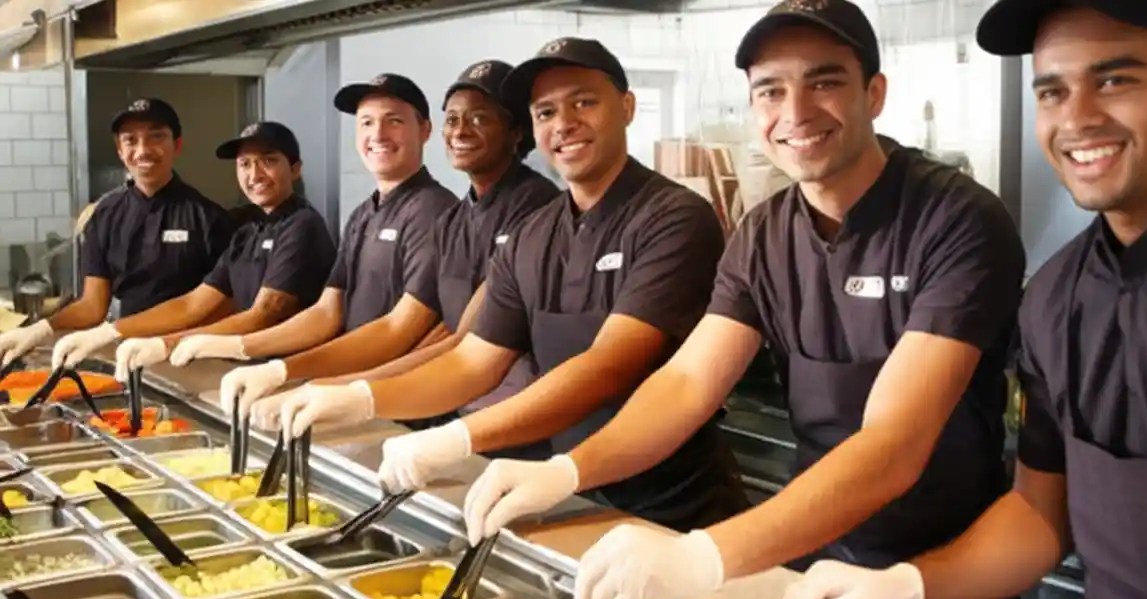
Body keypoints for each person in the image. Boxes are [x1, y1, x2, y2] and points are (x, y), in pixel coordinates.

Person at [463, 0, 1029, 599]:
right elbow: (686, 383)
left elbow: (894, 440)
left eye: (824, 81)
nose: (795, 111)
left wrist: (706, 553)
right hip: (808, 552)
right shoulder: (764, 233)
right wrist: (567, 471)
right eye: (770, 90)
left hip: (946, 577)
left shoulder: (955, 219)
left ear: (874, 93)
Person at [765, 2, 1147, 599]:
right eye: (1051, 90)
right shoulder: (1061, 294)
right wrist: (908, 584)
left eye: (1116, 80)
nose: (1078, 118)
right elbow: (1041, 516)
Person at [269, 38, 749, 532]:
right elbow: (472, 358)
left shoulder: (673, 217)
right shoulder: (534, 234)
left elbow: (610, 364)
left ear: (626, 107)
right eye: (546, 111)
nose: (563, 124)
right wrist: (359, 397)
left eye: (584, 102)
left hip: (673, 503)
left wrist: (458, 437)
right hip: (571, 493)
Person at [249, 59, 559, 450]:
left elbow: (465, 341)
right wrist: (312, 382)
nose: (461, 131)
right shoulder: (456, 217)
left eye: (479, 119)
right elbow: (438, 332)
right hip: (451, 408)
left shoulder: (535, 208)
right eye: (454, 118)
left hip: (510, 425)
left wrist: (350, 390)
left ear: (517, 130)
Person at [186, 74, 457, 417]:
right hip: (352, 389)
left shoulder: (435, 211)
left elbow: (400, 329)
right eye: (367, 122)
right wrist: (246, 350)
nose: (378, 134)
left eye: (394, 121)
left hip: (396, 403)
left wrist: (291, 373)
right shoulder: (364, 214)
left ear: (426, 130)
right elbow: (328, 313)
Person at [48, 122, 336, 377]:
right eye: (245, 164)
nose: (255, 173)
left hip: (291, 373)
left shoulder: (302, 226)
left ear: (295, 169)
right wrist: (111, 332)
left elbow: (265, 313)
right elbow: (194, 303)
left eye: (268, 161)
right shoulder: (248, 232)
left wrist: (170, 343)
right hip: (247, 369)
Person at [0, 98, 232, 366]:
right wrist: (40, 330)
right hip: (124, 350)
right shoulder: (105, 215)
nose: (143, 150)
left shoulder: (209, 218)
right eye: (131, 141)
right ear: (120, 150)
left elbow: (220, 308)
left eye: (156, 137)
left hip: (188, 354)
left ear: (177, 145)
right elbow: (92, 306)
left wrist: (166, 341)